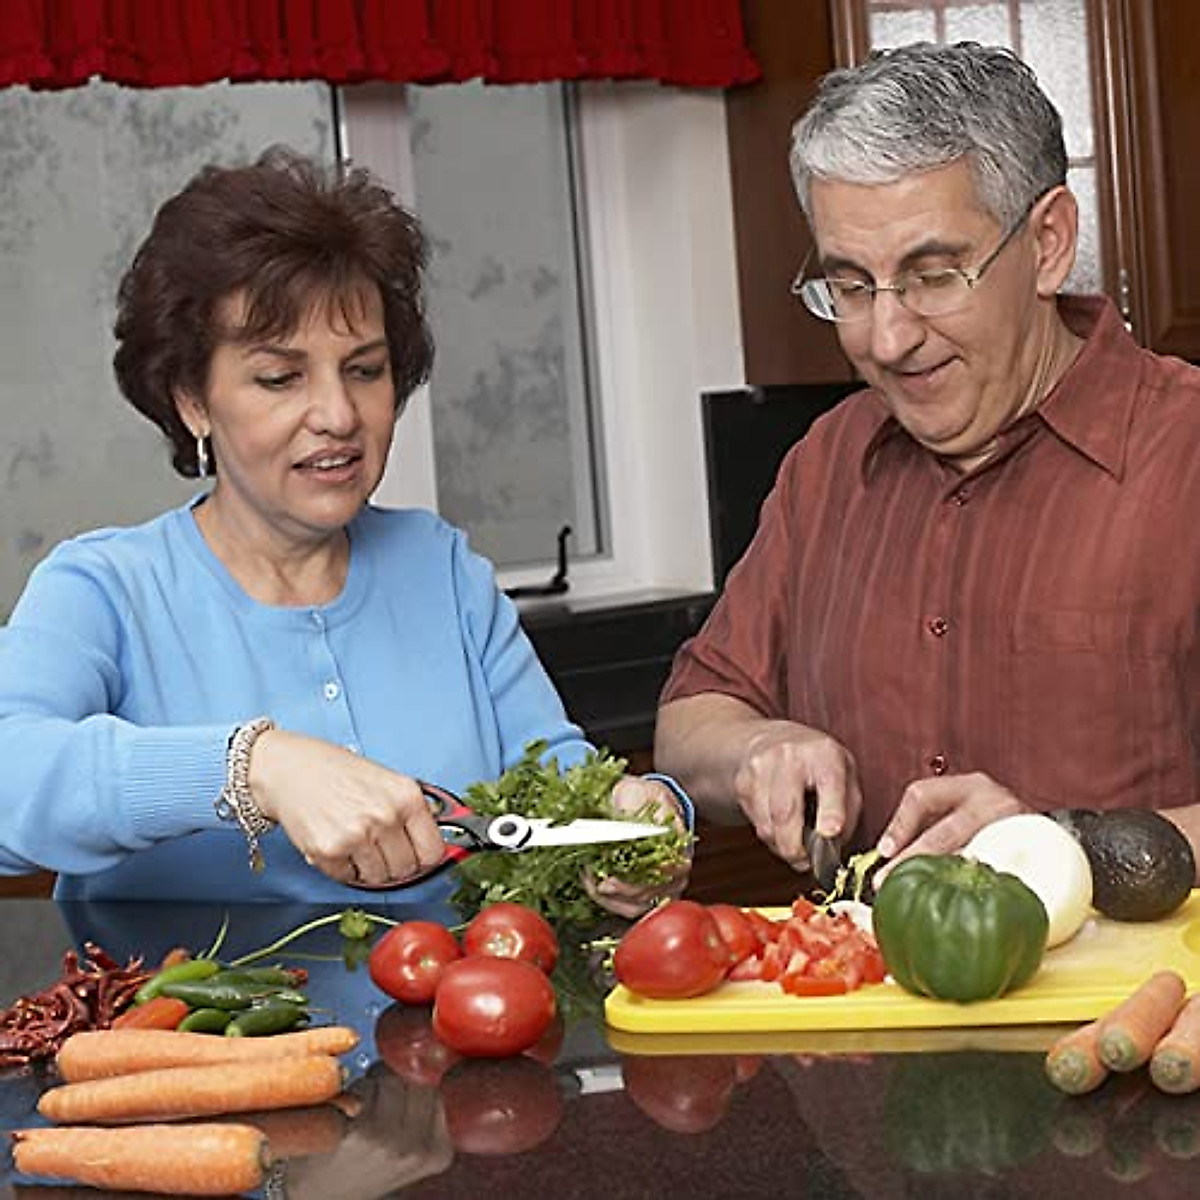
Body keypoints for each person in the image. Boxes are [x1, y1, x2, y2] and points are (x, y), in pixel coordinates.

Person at [0, 147, 689, 916]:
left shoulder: (441, 569)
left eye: (364, 370)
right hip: (191, 1034)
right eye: (280, 377)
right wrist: (254, 766)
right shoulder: (104, 589)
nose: (337, 415)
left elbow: (552, 786)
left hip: (450, 1023)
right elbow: (9, 777)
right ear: (191, 398)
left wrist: (641, 815)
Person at [655, 41, 1200, 880]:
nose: (887, 338)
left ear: (1049, 242)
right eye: (850, 286)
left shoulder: (1187, 454)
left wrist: (1062, 846)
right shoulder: (827, 462)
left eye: (935, 276)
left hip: (1144, 1011)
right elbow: (692, 720)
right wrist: (757, 747)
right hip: (863, 1008)